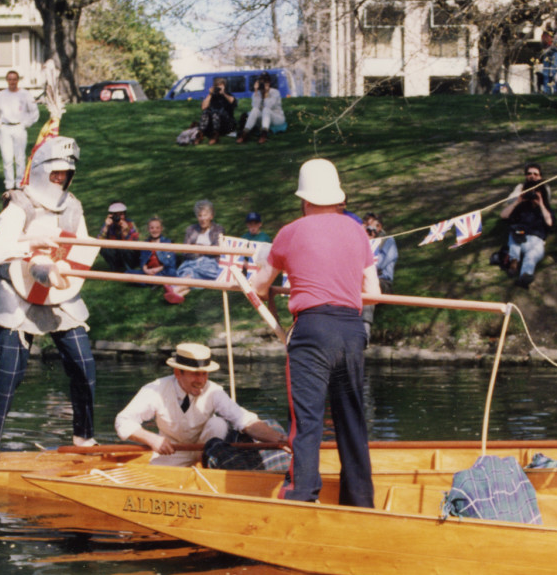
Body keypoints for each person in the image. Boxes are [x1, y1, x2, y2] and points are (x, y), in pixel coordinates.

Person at [250, 158, 380, 508]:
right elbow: (375, 292)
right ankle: (360, 499)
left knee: (306, 420)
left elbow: (260, 286)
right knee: (351, 416)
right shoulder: (357, 231)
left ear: (304, 199)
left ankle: (301, 494)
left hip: (312, 330)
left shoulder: (290, 231)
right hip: (351, 330)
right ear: (337, 198)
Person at [0, 136, 97, 460]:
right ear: (43, 171)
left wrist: (60, 262)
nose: (60, 179)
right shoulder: (20, 202)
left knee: (84, 364)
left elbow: (82, 248)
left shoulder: (73, 206)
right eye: (55, 172)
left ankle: (84, 437)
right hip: (18, 290)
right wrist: (31, 243)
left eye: (66, 173)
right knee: (11, 369)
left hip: (58, 288)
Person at [114, 342, 288, 466]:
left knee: (218, 424)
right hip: (172, 452)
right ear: (177, 372)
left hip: (207, 452)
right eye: (195, 374)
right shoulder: (155, 390)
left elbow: (244, 420)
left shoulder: (214, 391)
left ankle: (209, 467)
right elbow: (123, 420)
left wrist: (281, 440)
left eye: (205, 374)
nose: (201, 381)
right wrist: (152, 439)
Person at [498, 163, 553, 288]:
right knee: (515, 234)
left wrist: (541, 204)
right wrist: (518, 202)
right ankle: (514, 262)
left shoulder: (545, 205)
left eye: (535, 174)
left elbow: (550, 222)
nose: (532, 176)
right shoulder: (521, 204)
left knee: (531, 256)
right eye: (529, 174)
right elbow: (503, 215)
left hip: (537, 242)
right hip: (520, 238)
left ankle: (525, 276)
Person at [0, 69, 39, 192]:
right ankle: (9, 185)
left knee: (20, 158)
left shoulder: (25, 94)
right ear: (7, 80)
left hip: (19, 128)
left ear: (18, 80)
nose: (12, 82)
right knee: (7, 158)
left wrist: (25, 124)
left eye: (14, 79)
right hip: (5, 128)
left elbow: (34, 112)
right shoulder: (0, 95)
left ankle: (20, 184)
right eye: (10, 79)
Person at [166, 199, 223, 303]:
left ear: (211, 216)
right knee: (190, 271)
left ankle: (175, 289)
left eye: (205, 215)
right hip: (192, 262)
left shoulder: (218, 229)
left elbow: (217, 249)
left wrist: (198, 248)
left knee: (192, 272)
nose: (202, 219)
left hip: (210, 264)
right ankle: (178, 294)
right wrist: (204, 249)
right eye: (199, 216)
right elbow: (185, 251)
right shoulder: (191, 229)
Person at [361, 213, 398, 339]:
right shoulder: (361, 239)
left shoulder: (388, 241)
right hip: (362, 277)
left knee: (367, 288)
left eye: (372, 227)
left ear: (379, 227)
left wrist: (370, 244)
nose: (369, 230)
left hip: (382, 281)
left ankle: (365, 332)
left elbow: (379, 264)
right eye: (367, 227)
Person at [238, 72, 284, 144]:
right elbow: (255, 106)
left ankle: (264, 135)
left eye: (266, 82)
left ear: (269, 82)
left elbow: (269, 106)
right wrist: (256, 91)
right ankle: (244, 133)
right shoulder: (257, 93)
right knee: (255, 110)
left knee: (266, 109)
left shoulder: (275, 92)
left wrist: (266, 93)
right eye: (262, 81)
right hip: (264, 118)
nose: (264, 84)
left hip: (276, 117)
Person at [97, 201, 140, 273]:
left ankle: (129, 269)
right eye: (115, 215)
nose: (118, 217)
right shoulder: (108, 224)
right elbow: (98, 242)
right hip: (116, 252)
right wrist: (106, 227)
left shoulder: (130, 224)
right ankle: (115, 268)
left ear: (125, 214)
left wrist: (126, 232)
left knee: (125, 248)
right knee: (104, 248)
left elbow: (136, 244)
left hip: (129, 255)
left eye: (121, 214)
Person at [198, 77, 236, 145]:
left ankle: (215, 136)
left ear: (224, 86)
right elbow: (203, 107)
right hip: (213, 123)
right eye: (217, 86)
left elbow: (233, 102)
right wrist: (210, 94)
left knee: (216, 113)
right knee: (205, 113)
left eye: (221, 86)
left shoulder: (228, 95)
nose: (219, 88)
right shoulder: (212, 96)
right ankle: (200, 134)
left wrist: (223, 93)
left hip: (226, 123)